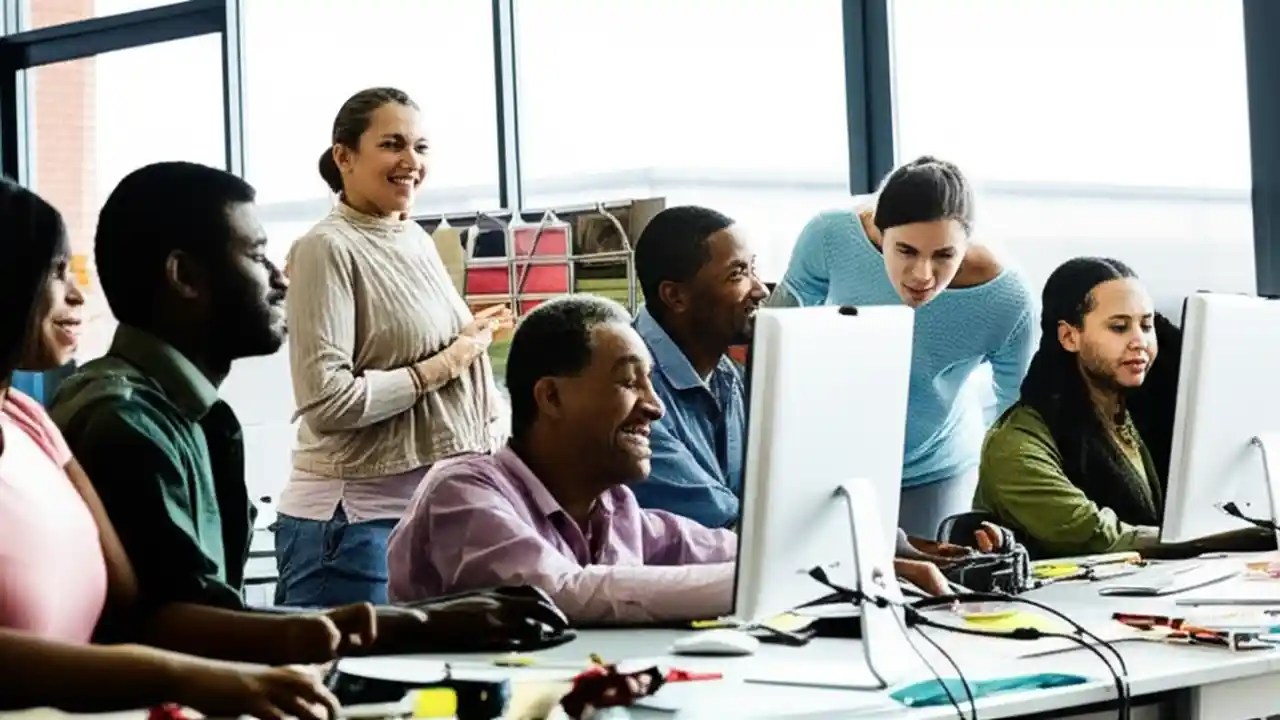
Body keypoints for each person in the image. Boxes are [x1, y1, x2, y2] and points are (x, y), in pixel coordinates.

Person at [48, 162, 561, 654]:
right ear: (184, 276)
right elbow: (187, 625)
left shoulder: (183, 413)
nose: (281, 279)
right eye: (256, 255)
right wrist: (427, 622)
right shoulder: (125, 423)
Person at [0, 176, 340, 718]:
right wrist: (195, 677)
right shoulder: (116, 414)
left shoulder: (29, 420)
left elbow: (139, 611)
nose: (76, 295)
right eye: (56, 269)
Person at [275, 86, 513, 606]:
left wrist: (466, 343)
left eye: (421, 148)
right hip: (353, 530)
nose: (411, 162)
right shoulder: (325, 247)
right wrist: (451, 359)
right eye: (392, 144)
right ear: (344, 156)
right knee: (347, 686)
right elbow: (327, 401)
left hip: (427, 517)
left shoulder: (412, 236)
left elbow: (407, 343)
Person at [387, 295, 737, 624]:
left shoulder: (614, 508)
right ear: (551, 397)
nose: (654, 407)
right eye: (629, 382)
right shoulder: (462, 492)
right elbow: (553, 593)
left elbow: (725, 551)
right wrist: (743, 586)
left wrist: (776, 567)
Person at [770, 156, 1037, 539]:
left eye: (945, 255)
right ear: (880, 231)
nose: (922, 275)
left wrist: (1001, 508)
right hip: (830, 458)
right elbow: (778, 338)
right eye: (906, 251)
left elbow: (1016, 416)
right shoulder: (829, 236)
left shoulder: (1009, 299)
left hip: (935, 467)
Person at [976, 257, 1273, 558]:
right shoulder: (1014, 445)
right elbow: (1101, 536)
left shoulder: (1134, 414)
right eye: (1119, 327)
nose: (1139, 341)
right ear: (1069, 336)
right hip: (1058, 603)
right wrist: (1251, 537)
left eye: (1146, 325)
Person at [629, 205, 767, 529]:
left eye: (753, 269)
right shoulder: (630, 394)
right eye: (738, 274)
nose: (761, 289)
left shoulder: (726, 373)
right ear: (675, 296)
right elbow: (726, 521)